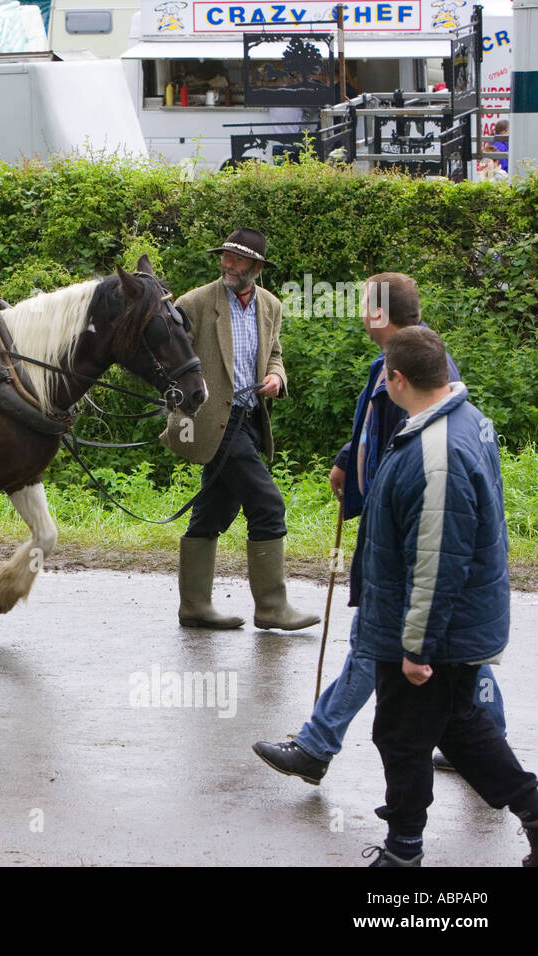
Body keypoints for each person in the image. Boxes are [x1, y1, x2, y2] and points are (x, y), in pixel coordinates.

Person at [252, 274, 505, 784]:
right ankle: (484, 738)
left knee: (375, 641)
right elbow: (379, 429)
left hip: (405, 532)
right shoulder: (396, 360)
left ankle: (317, 745)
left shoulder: (413, 365)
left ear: (379, 313)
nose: (357, 309)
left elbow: (411, 448)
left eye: (364, 303)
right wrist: (349, 458)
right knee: (460, 656)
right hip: (396, 524)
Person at [355, 327, 538, 867]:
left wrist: (416, 649)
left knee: (402, 738)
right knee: (460, 727)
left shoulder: (438, 451)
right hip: (452, 627)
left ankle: (403, 851)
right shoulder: (462, 418)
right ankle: (535, 811)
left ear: (398, 379)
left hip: (433, 632)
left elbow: (437, 563)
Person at [163, 227, 319, 632]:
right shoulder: (194, 303)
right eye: (225, 256)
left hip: (249, 421)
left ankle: (195, 607)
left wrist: (276, 378)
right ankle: (272, 607)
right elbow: (169, 361)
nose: (228, 264)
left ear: (257, 266)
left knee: (212, 511)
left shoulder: (271, 306)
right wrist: (178, 411)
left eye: (238, 259)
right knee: (268, 506)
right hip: (211, 419)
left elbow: (276, 356)